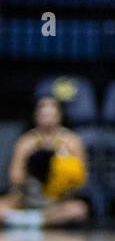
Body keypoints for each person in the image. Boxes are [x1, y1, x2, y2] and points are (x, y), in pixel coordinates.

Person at [0, 97, 90, 228]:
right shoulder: (26, 142)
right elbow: (14, 177)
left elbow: (82, 180)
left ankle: (29, 221)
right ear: (36, 115)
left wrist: (62, 175)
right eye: (44, 114)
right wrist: (33, 169)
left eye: (52, 114)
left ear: (60, 115)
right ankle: (33, 220)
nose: (48, 118)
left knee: (79, 209)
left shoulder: (72, 141)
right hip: (27, 198)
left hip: (56, 201)